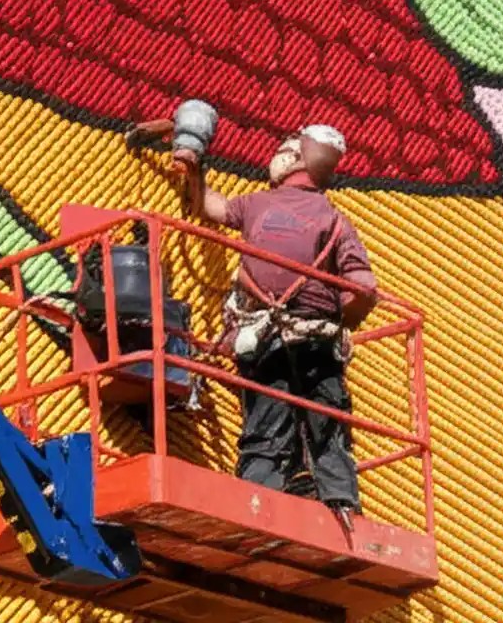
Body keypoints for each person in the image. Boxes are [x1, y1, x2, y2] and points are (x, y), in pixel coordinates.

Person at [145, 101, 379, 528]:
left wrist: (194, 165)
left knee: (266, 425)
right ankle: (344, 509)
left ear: (294, 159)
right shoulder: (335, 220)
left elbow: (208, 208)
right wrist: (338, 322)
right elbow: (363, 288)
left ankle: (255, 505)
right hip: (317, 344)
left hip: (265, 342)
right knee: (326, 428)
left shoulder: (257, 206)